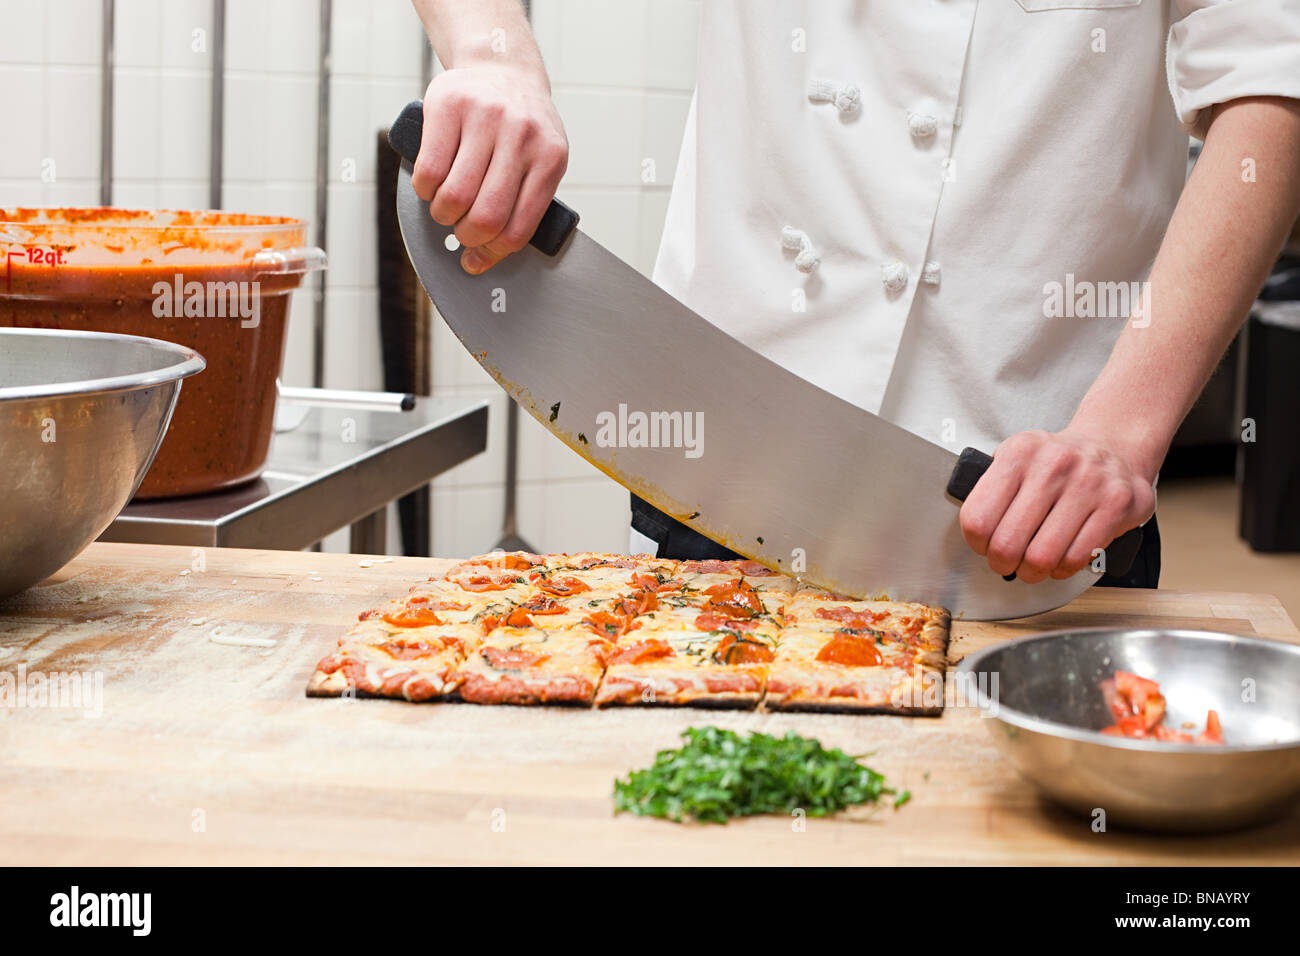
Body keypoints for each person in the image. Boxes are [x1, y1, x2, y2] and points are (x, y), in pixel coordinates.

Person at [409, 0, 1300, 588]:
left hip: (1029, 507)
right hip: (718, 465)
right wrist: (492, 53)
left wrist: (1123, 429)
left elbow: (1271, 75)